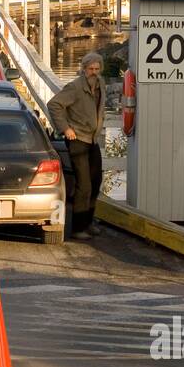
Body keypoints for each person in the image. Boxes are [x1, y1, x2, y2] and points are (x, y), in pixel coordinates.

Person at [49, 51, 106, 241]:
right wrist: (65, 129)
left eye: (97, 69)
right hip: (77, 139)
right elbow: (54, 104)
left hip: (92, 139)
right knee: (84, 185)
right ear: (84, 69)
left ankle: (89, 221)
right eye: (91, 69)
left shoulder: (100, 85)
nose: (94, 72)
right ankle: (78, 227)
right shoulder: (74, 87)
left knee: (96, 180)